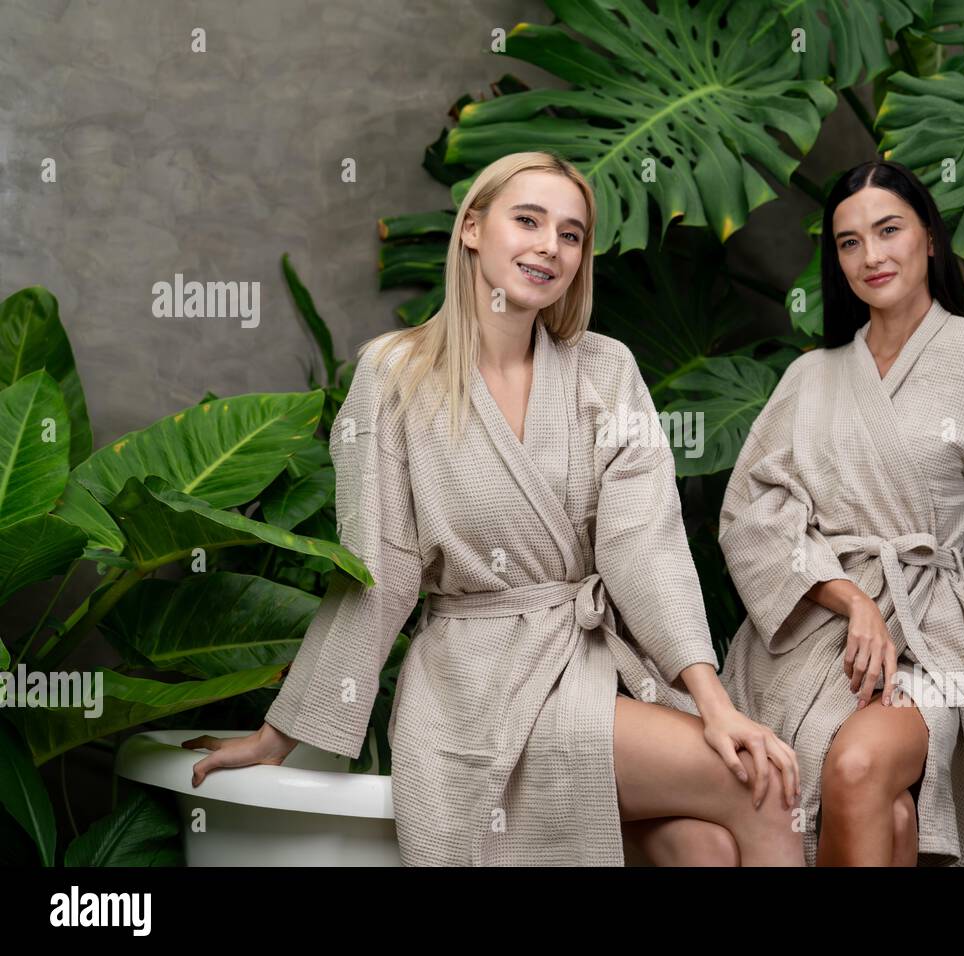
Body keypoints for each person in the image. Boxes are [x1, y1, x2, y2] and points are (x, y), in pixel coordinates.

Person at [184, 151, 804, 866]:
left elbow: (646, 546)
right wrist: (280, 734)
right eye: (529, 221)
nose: (550, 246)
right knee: (758, 786)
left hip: (594, 665)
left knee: (703, 849)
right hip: (474, 685)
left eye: (571, 234)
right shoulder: (394, 376)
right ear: (473, 228)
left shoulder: (606, 370)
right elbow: (379, 573)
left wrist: (714, 703)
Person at [718, 160, 964, 867]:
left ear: (929, 239)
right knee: (889, 822)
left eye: (888, 230)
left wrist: (928, 600)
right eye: (849, 242)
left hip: (935, 637)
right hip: (810, 635)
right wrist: (850, 595)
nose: (871, 255)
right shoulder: (811, 376)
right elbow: (750, 514)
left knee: (858, 766)